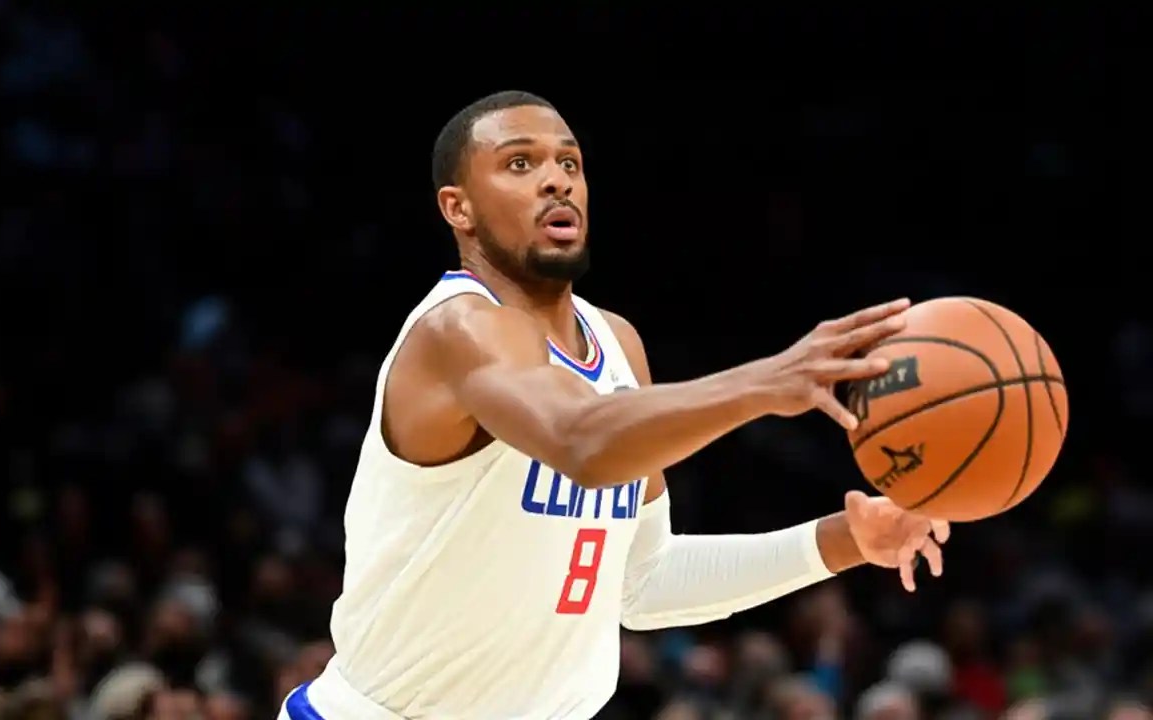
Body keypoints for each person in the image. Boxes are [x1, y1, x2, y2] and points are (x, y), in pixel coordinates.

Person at [281, 90, 950, 720]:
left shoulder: (617, 343)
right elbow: (581, 443)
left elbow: (642, 582)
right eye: (520, 163)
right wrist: (768, 381)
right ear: (458, 208)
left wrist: (846, 540)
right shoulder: (458, 330)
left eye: (568, 162)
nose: (556, 180)